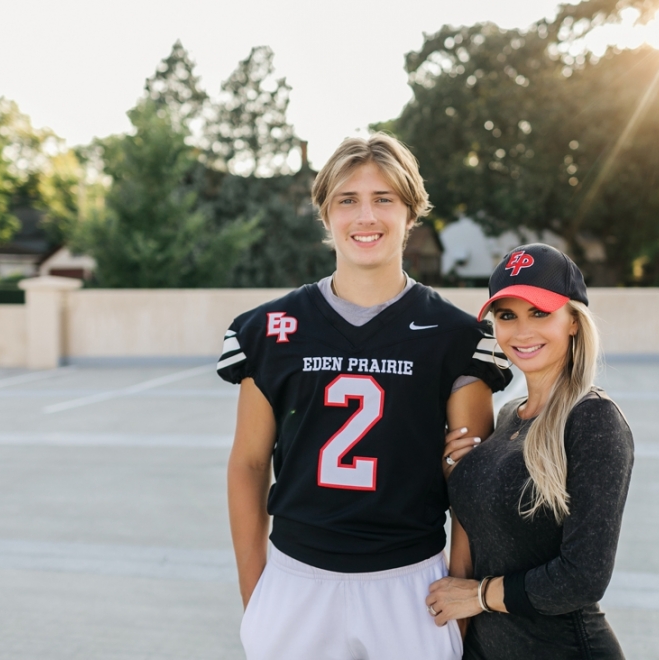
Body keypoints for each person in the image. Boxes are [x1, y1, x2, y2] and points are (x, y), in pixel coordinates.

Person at [217, 133, 511, 660]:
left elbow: (471, 484)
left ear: (410, 211)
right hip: (296, 578)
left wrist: (463, 589)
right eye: (347, 200)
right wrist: (255, 592)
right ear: (325, 213)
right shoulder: (271, 329)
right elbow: (250, 463)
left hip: (411, 583)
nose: (365, 216)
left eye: (384, 199)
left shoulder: (456, 336)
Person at [426, 243, 634, 659]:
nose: (522, 332)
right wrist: (457, 476)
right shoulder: (509, 416)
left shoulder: (592, 419)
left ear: (573, 321)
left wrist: (479, 596)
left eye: (539, 313)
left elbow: (583, 577)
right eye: (507, 316)